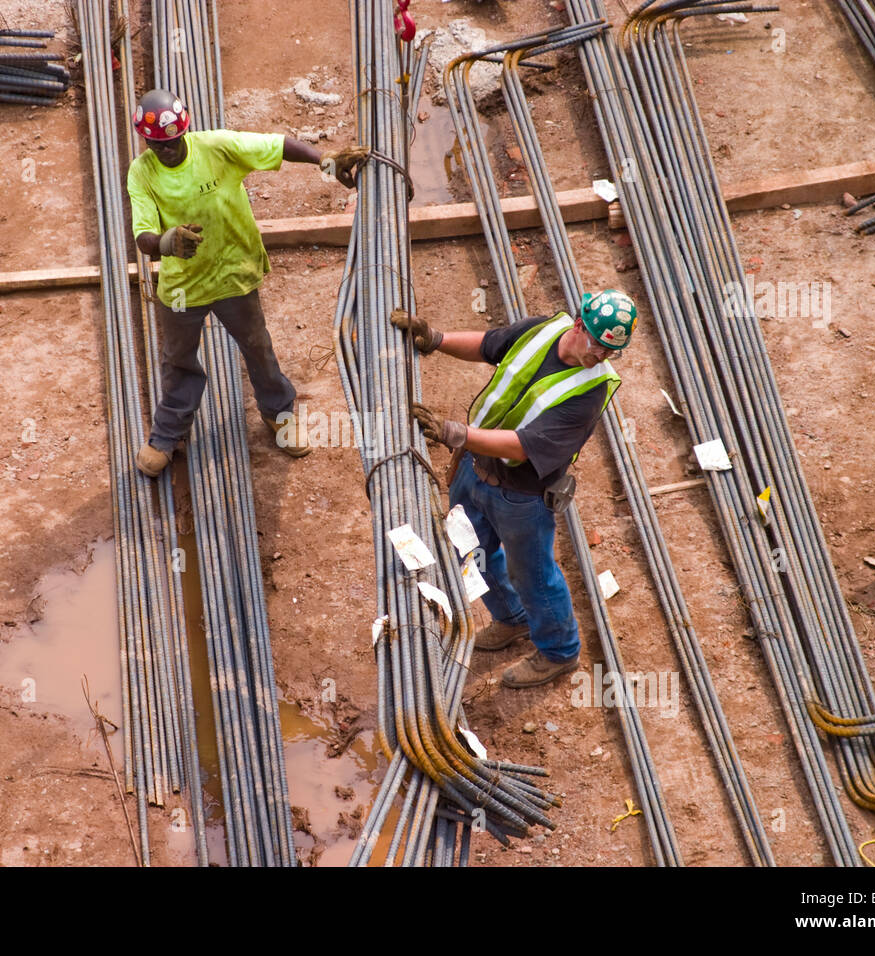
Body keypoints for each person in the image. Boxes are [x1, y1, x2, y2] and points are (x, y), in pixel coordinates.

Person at [396, 291, 638, 688]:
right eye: (597, 345)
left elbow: (524, 445)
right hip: (475, 469)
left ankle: (559, 652)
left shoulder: (589, 393)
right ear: (579, 325)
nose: (600, 357)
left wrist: (455, 433)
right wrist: (437, 338)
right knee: (468, 550)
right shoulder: (544, 329)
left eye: (611, 352)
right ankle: (512, 619)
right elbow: (492, 344)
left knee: (534, 575)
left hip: (522, 496)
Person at [125, 88, 368, 477]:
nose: (165, 150)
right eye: (156, 145)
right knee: (177, 360)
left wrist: (326, 162)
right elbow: (142, 236)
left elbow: (277, 147)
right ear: (147, 141)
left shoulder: (217, 148)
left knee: (257, 347)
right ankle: (167, 435)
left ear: (183, 132)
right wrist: (167, 243)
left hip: (233, 272)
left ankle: (279, 415)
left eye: (171, 143)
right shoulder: (142, 172)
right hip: (184, 286)